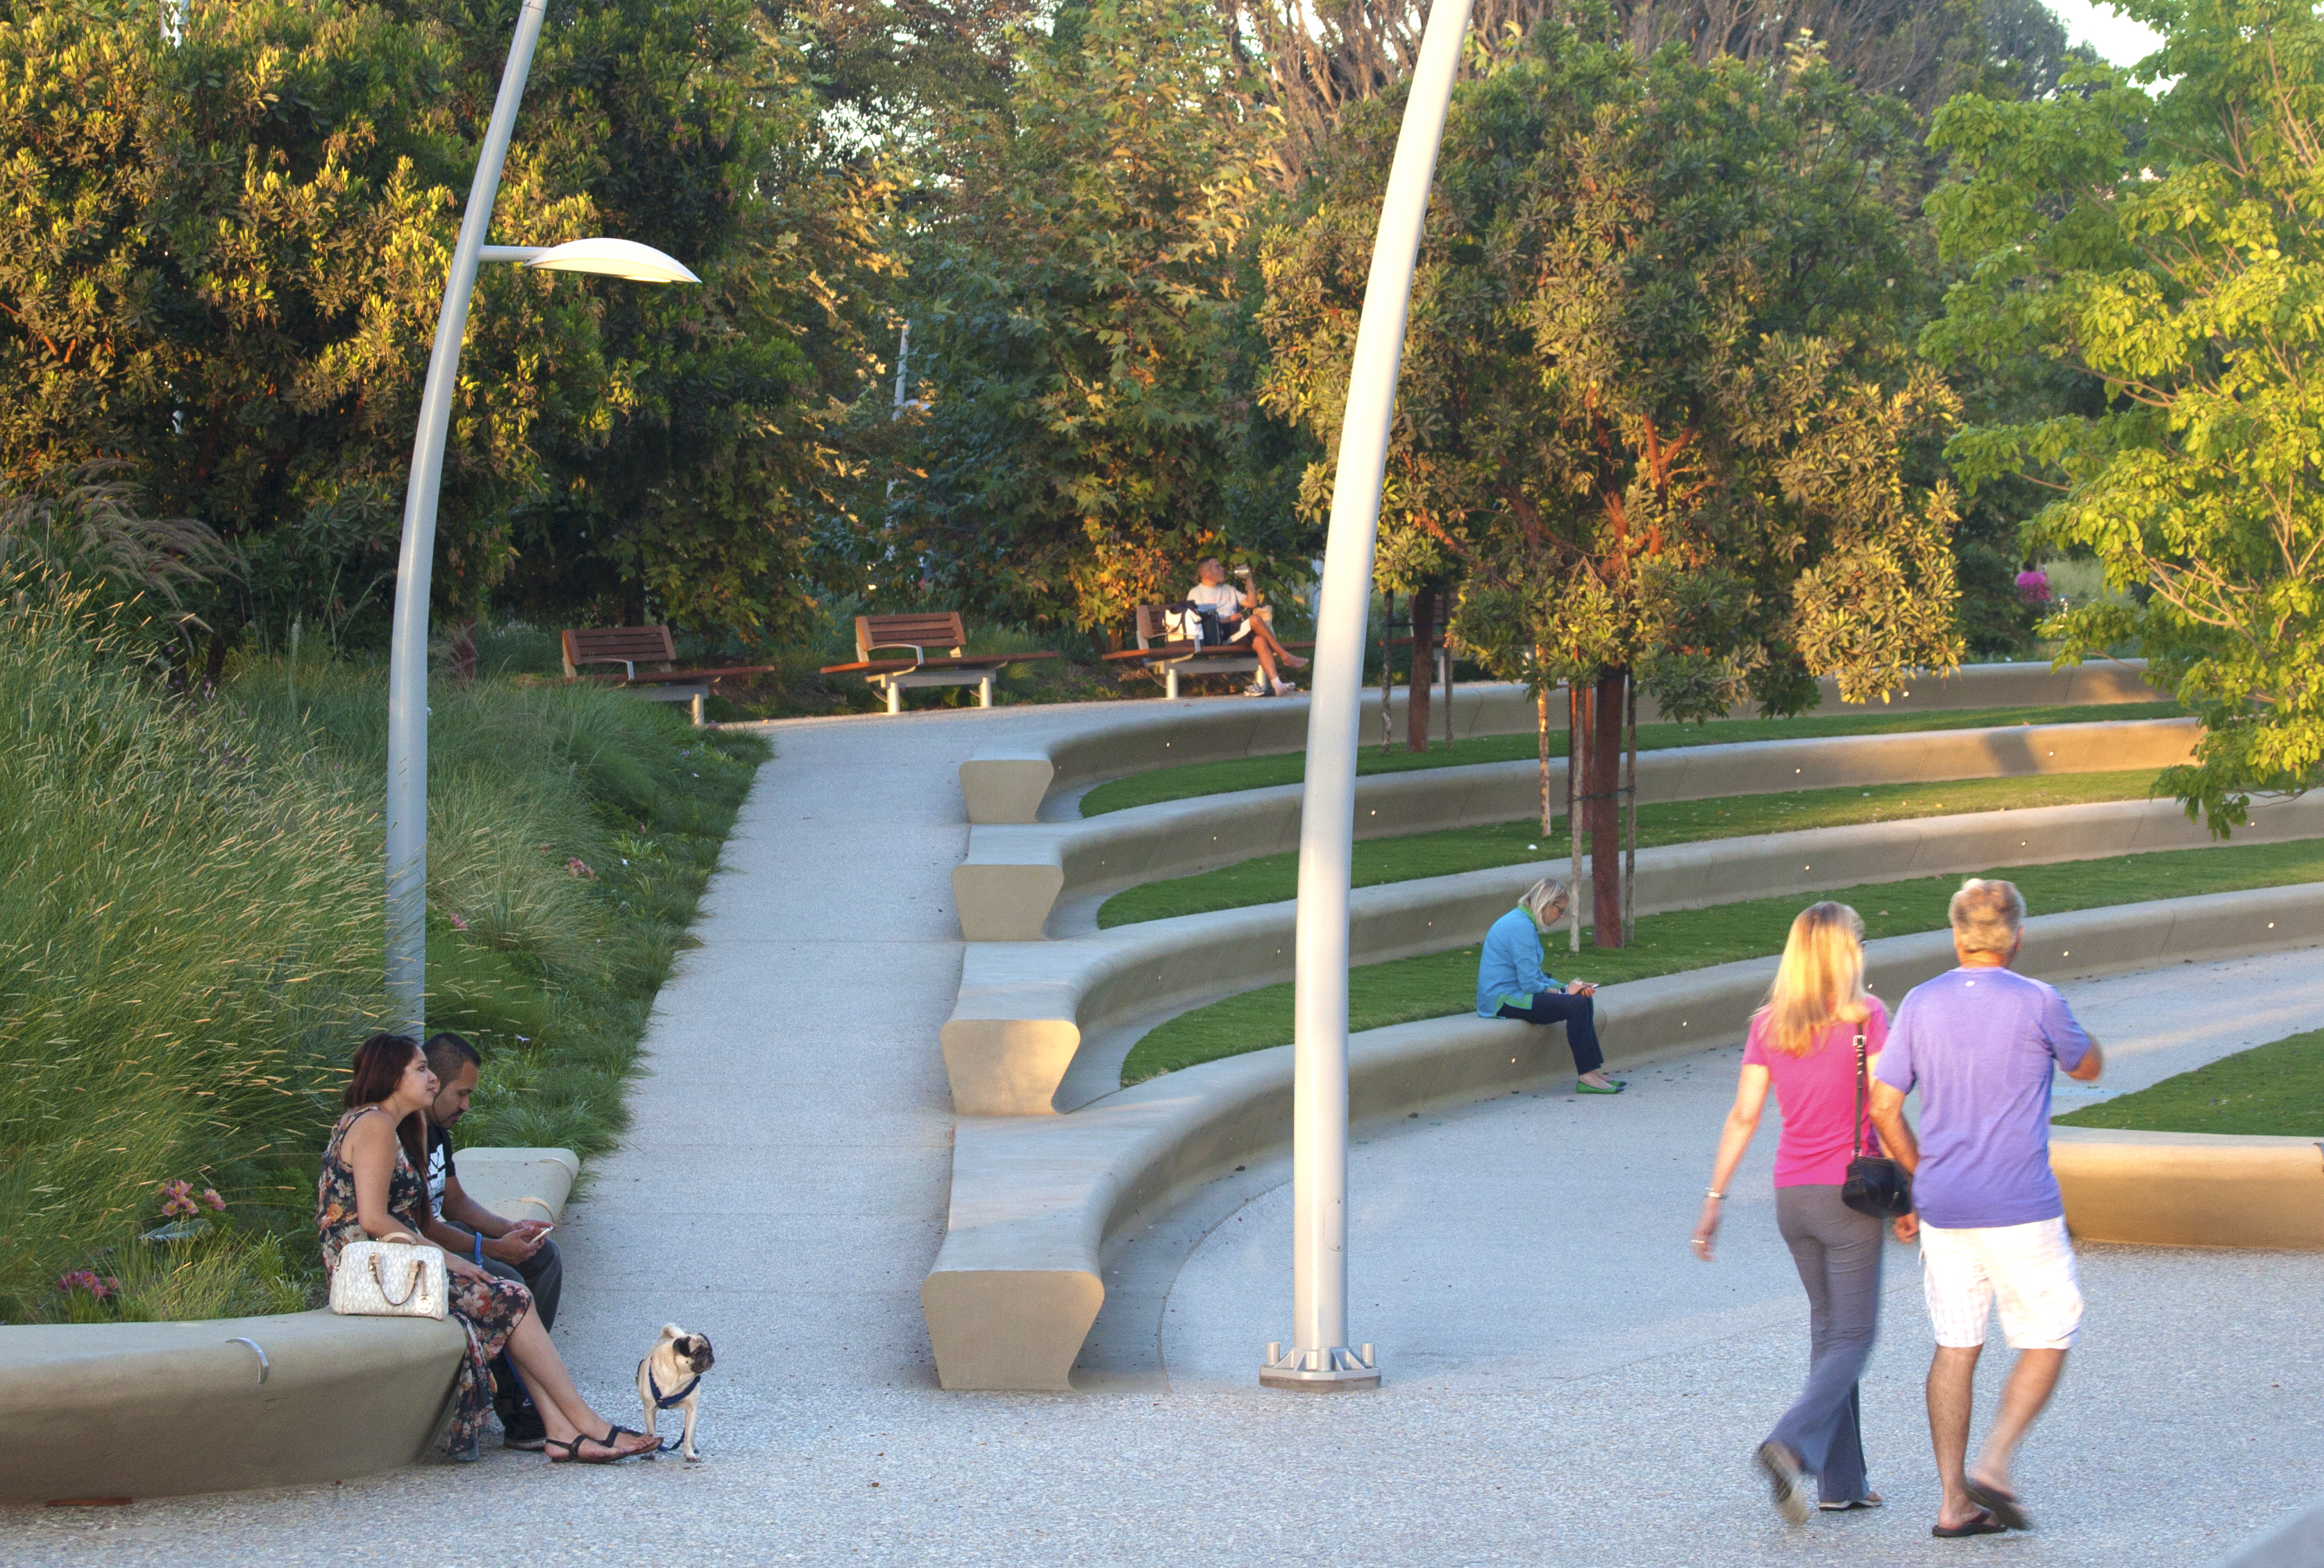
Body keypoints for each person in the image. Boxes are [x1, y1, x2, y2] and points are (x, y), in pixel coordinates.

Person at [1868, 879, 2105, 1538]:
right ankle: (1995, 1466)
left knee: (1955, 1344)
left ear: (1955, 935)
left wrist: (1922, 1173)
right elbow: (2087, 1066)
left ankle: (1952, 1503)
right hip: (2020, 1200)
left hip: (1946, 1206)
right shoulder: (2039, 1000)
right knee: (2051, 1329)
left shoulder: (1918, 1001)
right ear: (2019, 937)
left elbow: (1884, 1108)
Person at [317, 1032, 658, 1464]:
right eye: (420, 1070)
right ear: (391, 1076)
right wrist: (457, 1261)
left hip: (404, 1263)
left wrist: (496, 1239)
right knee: (512, 1296)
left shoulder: (411, 1126)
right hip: (374, 1272)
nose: (432, 1080)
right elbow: (372, 1220)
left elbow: (424, 1218)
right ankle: (585, 1425)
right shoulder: (374, 1126)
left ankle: (559, 1432)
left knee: (510, 1297)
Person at [1692, 902, 1911, 1523]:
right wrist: (1914, 1190)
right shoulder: (1868, 1018)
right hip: (1848, 1197)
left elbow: (1744, 1115)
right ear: (1847, 952)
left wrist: (1714, 1201)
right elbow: (1886, 1110)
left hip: (1792, 1197)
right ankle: (1789, 1443)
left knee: (1828, 1331)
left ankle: (1841, 1482)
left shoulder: (1768, 1024)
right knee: (1855, 1335)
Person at [416, 1031, 561, 1451]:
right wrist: (495, 1250)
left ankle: (522, 1383)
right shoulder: (408, 1134)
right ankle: (517, 1406)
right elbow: (421, 1227)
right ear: (433, 1084)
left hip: (447, 1236)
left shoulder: (438, 1131)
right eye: (461, 1094)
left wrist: (512, 1228)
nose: (466, 1106)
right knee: (505, 1277)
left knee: (544, 1256)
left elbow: (455, 1201)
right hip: (425, 1250)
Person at [1476, 877, 1622, 1093]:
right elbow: (1529, 985)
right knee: (1577, 1005)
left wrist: (1574, 987)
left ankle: (1593, 1071)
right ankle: (1587, 1077)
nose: (1562, 916)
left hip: (1515, 994)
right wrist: (1564, 992)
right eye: (1560, 910)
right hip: (1502, 1001)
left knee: (1580, 998)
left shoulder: (1523, 922)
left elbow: (1535, 976)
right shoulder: (1520, 927)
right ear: (1546, 904)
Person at [1180, 557, 1308, 696]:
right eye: (1218, 567)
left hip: (1235, 632)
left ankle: (1277, 685)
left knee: (1260, 641)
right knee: (1255, 619)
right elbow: (1200, 620)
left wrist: (1248, 579)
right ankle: (1284, 655)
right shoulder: (1197, 593)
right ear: (1206, 572)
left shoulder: (1229, 589)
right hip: (1217, 634)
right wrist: (1228, 619)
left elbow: (1252, 603)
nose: (1223, 569)